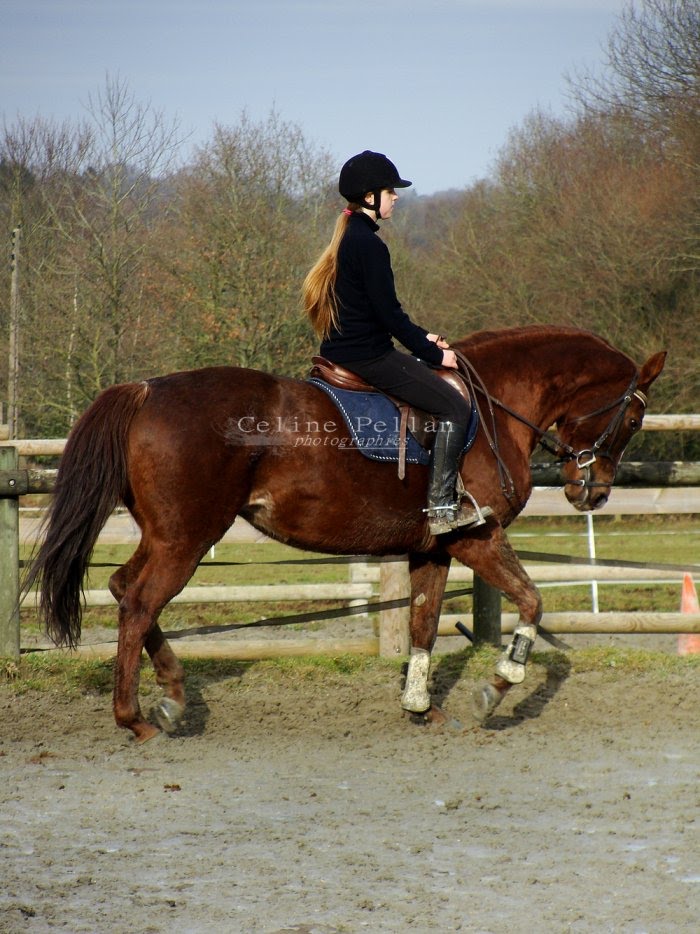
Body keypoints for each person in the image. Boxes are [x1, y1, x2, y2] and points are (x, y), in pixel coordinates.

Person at [302, 149, 491, 535]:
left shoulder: (350, 238)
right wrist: (435, 354)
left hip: (347, 351)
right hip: (368, 357)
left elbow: (382, 314)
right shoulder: (370, 245)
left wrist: (423, 336)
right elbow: (390, 317)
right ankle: (441, 508)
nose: (396, 197)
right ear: (370, 196)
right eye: (390, 191)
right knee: (454, 406)